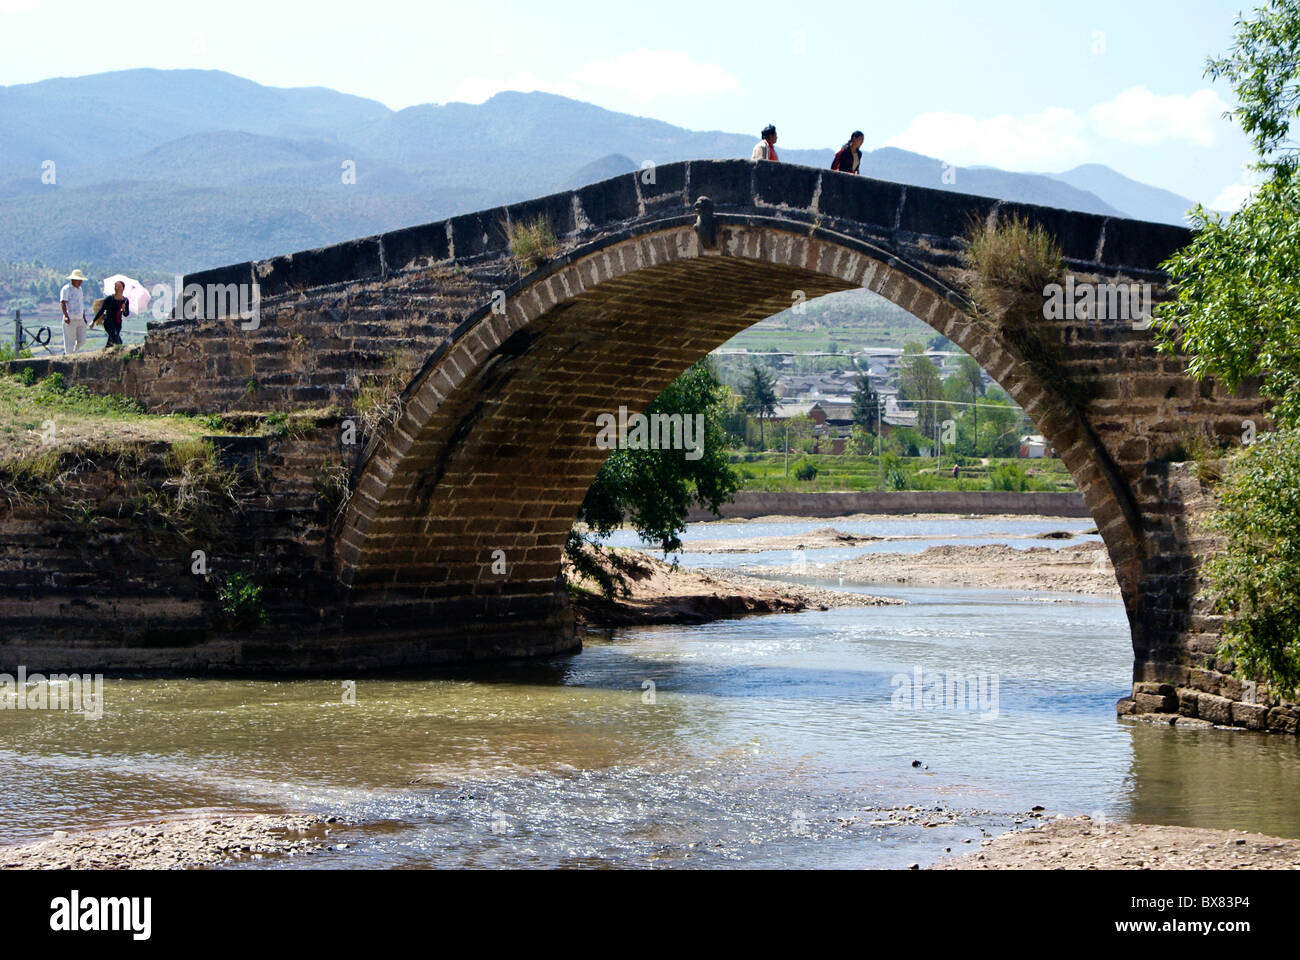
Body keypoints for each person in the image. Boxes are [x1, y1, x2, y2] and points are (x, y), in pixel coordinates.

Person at [59, 269, 89, 355]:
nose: (80, 282)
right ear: (74, 279)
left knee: (82, 340)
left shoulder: (80, 290)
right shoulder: (66, 289)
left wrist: (83, 317)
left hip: (80, 318)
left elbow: (81, 303)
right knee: (69, 341)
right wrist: (65, 315)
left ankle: (72, 353)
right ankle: (69, 355)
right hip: (70, 318)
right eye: (79, 280)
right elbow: (63, 302)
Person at [94, 279, 130, 347]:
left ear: (123, 288)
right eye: (115, 286)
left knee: (111, 342)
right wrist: (93, 321)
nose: (116, 288)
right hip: (108, 323)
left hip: (118, 324)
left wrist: (124, 309)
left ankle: (105, 354)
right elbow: (102, 310)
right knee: (118, 341)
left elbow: (126, 314)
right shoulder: (110, 298)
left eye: (119, 287)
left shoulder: (125, 301)